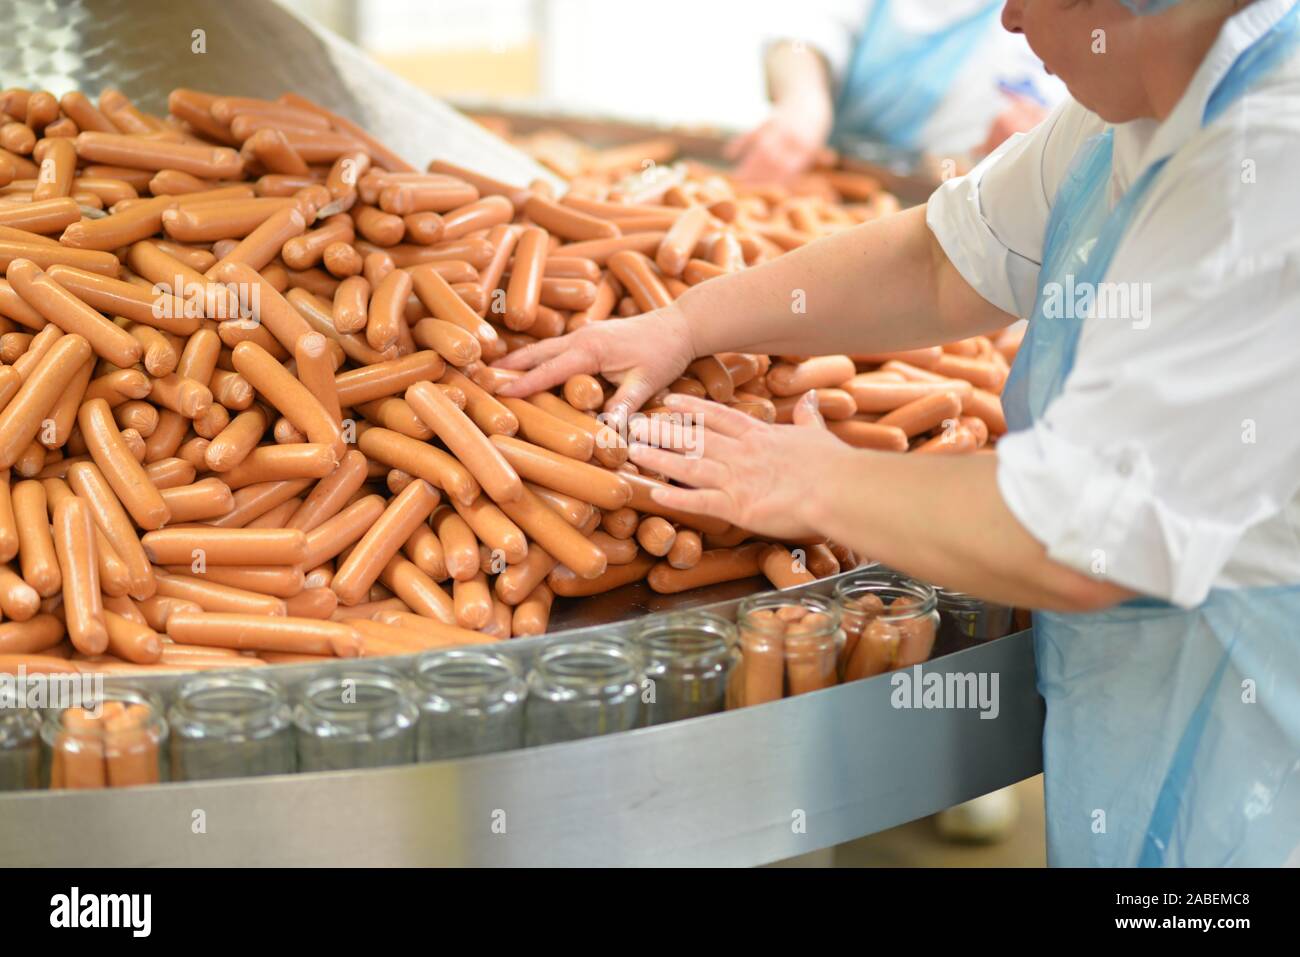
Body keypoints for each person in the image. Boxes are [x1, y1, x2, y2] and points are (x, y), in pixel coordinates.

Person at [497, 0, 1300, 867]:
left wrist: (813, 482)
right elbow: (939, 261)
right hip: (1149, 722)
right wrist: (687, 325)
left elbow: (1082, 534)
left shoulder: (1262, 172)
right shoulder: (1130, 115)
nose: (1010, 22)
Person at [728, 0, 1066, 184]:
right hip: (812, 174)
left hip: (927, 205)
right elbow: (804, 32)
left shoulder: (1039, 16)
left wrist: (1031, 138)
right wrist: (803, 102)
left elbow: (1047, 111)